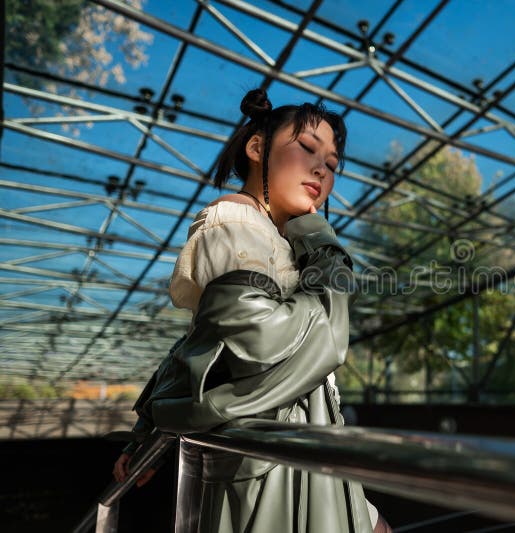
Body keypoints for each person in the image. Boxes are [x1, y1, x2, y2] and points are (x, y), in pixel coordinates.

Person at [112, 89, 392, 533]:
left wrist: (148, 428)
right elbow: (268, 343)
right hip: (271, 469)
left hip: (302, 454)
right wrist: (324, 247)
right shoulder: (235, 223)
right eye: (306, 148)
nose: (323, 168)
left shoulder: (270, 236)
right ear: (257, 148)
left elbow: (202, 344)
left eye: (333, 164)